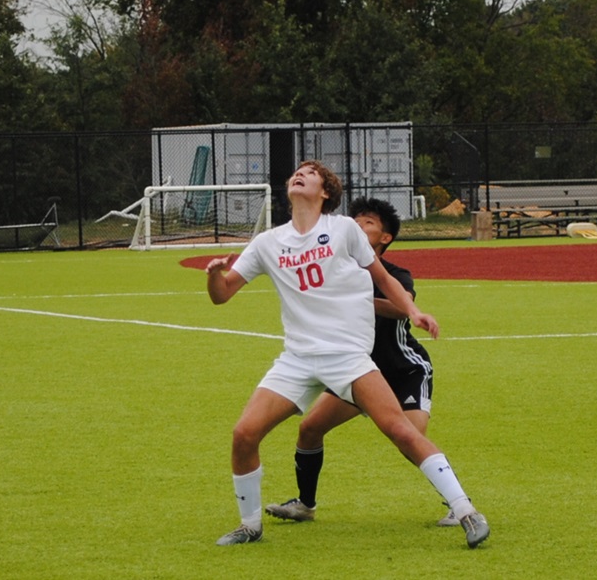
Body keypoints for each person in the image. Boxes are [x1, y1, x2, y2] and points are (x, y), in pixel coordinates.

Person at [206, 161, 489, 549]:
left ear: (325, 192)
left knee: (401, 430)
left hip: (347, 356)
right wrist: (214, 275)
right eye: (296, 172)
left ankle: (467, 511)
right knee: (244, 434)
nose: (299, 174)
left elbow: (384, 277)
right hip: (298, 358)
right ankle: (250, 526)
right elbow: (222, 295)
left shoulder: (343, 230)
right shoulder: (268, 242)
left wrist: (413, 311)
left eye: (310, 173)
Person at [264, 196, 459, 527]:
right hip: (355, 372)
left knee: (410, 437)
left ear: (386, 238)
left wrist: (358, 299)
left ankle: (458, 504)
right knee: (309, 428)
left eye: (368, 222)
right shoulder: (336, 270)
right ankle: (305, 504)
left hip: (402, 371)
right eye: (355, 220)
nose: (357, 224)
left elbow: (402, 307)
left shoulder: (395, 274)